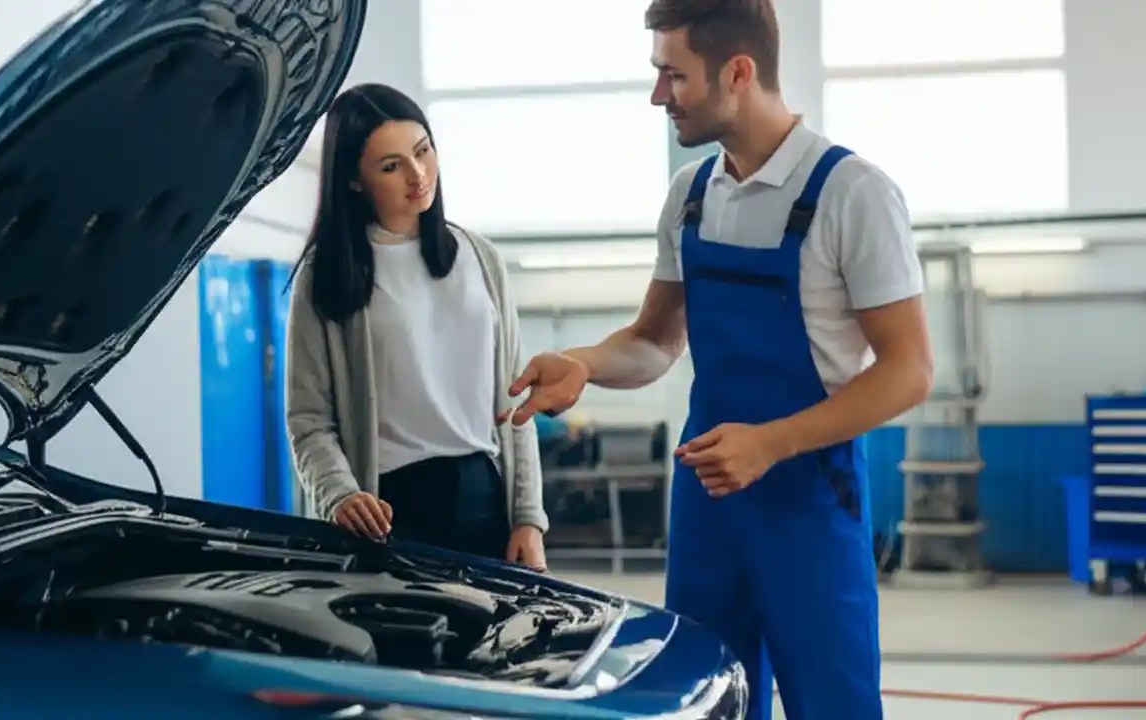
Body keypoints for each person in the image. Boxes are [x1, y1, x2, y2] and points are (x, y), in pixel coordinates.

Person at [500, 1, 933, 717]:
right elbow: (655, 342)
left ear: (738, 72)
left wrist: (771, 443)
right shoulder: (691, 196)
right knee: (706, 702)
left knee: (834, 704)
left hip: (808, 506)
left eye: (673, 75)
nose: (657, 96)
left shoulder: (853, 195)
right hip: (707, 504)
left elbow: (910, 370)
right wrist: (583, 362)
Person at [285, 83, 548, 571]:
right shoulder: (324, 277)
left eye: (422, 150)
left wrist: (528, 519)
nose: (418, 174)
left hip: (484, 500)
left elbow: (517, 403)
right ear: (354, 180)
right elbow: (308, 421)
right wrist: (339, 495)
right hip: (387, 511)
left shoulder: (481, 259)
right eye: (391, 166)